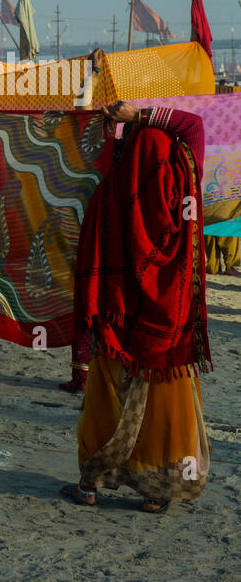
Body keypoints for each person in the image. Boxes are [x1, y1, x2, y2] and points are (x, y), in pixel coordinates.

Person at [61, 102, 212, 513]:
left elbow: (89, 260)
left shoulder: (112, 192)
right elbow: (193, 124)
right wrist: (140, 116)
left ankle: (90, 485)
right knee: (165, 407)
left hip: (118, 324)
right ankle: (156, 491)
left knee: (106, 400)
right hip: (168, 324)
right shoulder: (182, 177)